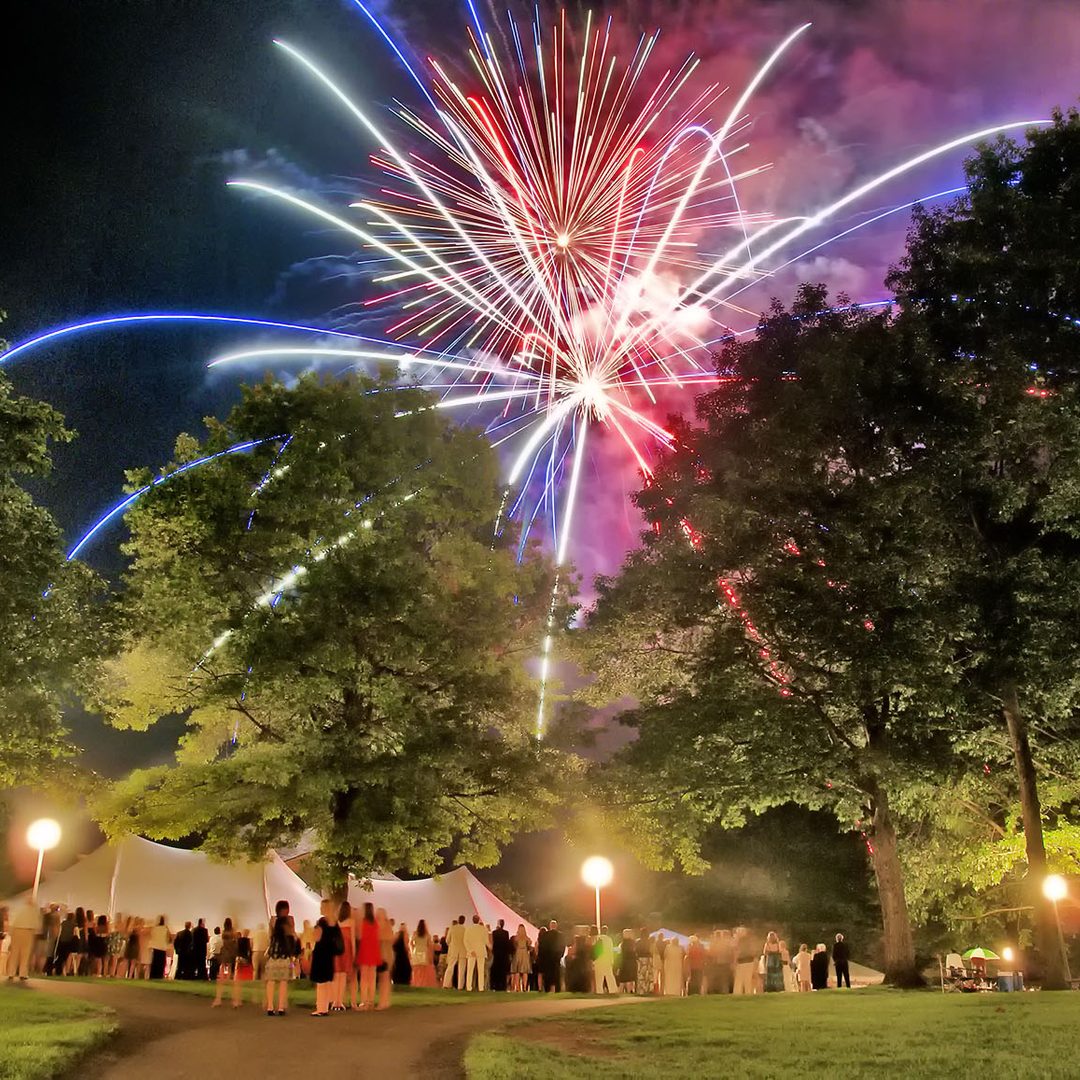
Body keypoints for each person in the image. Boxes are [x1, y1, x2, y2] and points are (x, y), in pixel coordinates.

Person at [265, 899, 298, 1016]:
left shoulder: (273, 920)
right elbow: (292, 935)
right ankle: (281, 1007)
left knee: (271, 981)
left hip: (274, 953)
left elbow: (270, 936)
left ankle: (270, 1006)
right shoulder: (290, 920)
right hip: (285, 954)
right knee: (283, 981)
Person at [311, 899, 342, 1017]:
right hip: (330, 954)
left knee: (320, 983)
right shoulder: (335, 922)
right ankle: (325, 1007)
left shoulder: (322, 922)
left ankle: (320, 1008)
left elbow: (317, 938)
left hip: (320, 953)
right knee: (327, 982)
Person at [212, 918, 243, 1007]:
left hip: (225, 953)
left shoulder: (224, 933)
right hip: (231, 953)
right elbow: (235, 944)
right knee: (232, 973)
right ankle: (236, 1000)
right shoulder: (232, 933)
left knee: (222, 972)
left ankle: (218, 999)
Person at [7, 899, 39, 982]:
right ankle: (22, 973)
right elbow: (36, 922)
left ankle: (11, 973)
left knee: (14, 952)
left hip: (16, 931)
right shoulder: (33, 910)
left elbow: (13, 922)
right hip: (27, 931)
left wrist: (11, 932)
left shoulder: (19, 910)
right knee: (25, 953)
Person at [333, 901, 357, 1011]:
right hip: (347, 950)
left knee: (336, 975)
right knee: (342, 976)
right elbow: (352, 939)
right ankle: (340, 1001)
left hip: (337, 950)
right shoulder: (351, 922)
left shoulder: (337, 922)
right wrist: (354, 953)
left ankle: (335, 1001)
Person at [463, 914, 489, 991]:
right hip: (481, 951)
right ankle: (481, 987)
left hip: (472, 952)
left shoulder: (468, 929)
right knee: (480, 970)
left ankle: (469, 987)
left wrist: (470, 950)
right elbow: (486, 941)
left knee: (470, 970)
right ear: (478, 920)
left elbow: (465, 940)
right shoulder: (483, 929)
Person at [376, 907, 394, 1009]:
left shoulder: (385, 927)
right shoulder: (383, 926)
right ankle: (384, 1001)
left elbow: (387, 939)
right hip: (381, 954)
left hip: (385, 955)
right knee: (383, 979)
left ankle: (384, 1001)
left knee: (384, 979)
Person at [442, 915, 467, 989]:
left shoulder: (452, 928)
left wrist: (451, 945)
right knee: (461, 970)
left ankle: (446, 984)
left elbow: (447, 940)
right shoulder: (465, 929)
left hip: (454, 950)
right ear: (464, 921)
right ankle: (460, 986)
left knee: (450, 968)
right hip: (463, 951)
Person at [593, 925, 618, 995]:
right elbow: (611, 951)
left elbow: (595, 950)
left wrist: (594, 960)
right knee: (609, 976)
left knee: (599, 977)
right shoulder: (609, 939)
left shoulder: (598, 938)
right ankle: (612, 989)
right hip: (607, 960)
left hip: (599, 960)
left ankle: (599, 991)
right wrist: (612, 960)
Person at [541, 920, 564, 993]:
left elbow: (542, 947)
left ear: (550, 926)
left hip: (547, 958)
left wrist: (543, 957)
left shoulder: (545, 935)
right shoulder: (560, 935)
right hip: (556, 958)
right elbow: (562, 946)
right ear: (556, 926)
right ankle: (557, 989)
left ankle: (547, 989)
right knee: (556, 974)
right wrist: (560, 955)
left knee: (548, 975)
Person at [733, 926, 758, 995]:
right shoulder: (749, 940)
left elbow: (736, 951)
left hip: (745, 961)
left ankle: (740, 994)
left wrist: (734, 961)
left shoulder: (739, 941)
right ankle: (747, 993)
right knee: (745, 979)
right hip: (746, 961)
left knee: (741, 979)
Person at [411, 919, 437, 987]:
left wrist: (413, 948)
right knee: (423, 971)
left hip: (416, 951)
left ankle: (416, 983)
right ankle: (422, 984)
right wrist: (430, 956)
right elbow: (429, 946)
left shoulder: (415, 933)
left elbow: (411, 943)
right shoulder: (427, 935)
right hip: (424, 952)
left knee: (416, 970)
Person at [490, 918, 512, 992]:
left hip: (497, 953)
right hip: (504, 954)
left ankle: (495, 985)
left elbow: (493, 943)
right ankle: (503, 986)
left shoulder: (494, 933)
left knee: (496, 970)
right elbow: (507, 944)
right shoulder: (506, 933)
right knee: (503, 971)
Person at [148, 916, 170, 980]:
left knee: (155, 962)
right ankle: (159, 975)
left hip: (156, 947)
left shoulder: (155, 928)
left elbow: (152, 936)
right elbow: (168, 938)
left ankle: (153, 975)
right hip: (162, 948)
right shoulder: (165, 929)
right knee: (161, 963)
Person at [510, 924, 531, 992]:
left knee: (517, 971)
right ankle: (524, 987)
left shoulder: (516, 938)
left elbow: (514, 946)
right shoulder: (527, 938)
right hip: (524, 953)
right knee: (525, 971)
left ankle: (518, 987)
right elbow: (529, 946)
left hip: (518, 952)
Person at [635, 928, 654, 996]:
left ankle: (641, 990)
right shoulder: (650, 942)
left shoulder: (638, 942)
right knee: (649, 975)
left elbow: (636, 951)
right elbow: (652, 950)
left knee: (641, 975)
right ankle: (649, 989)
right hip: (649, 959)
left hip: (641, 959)